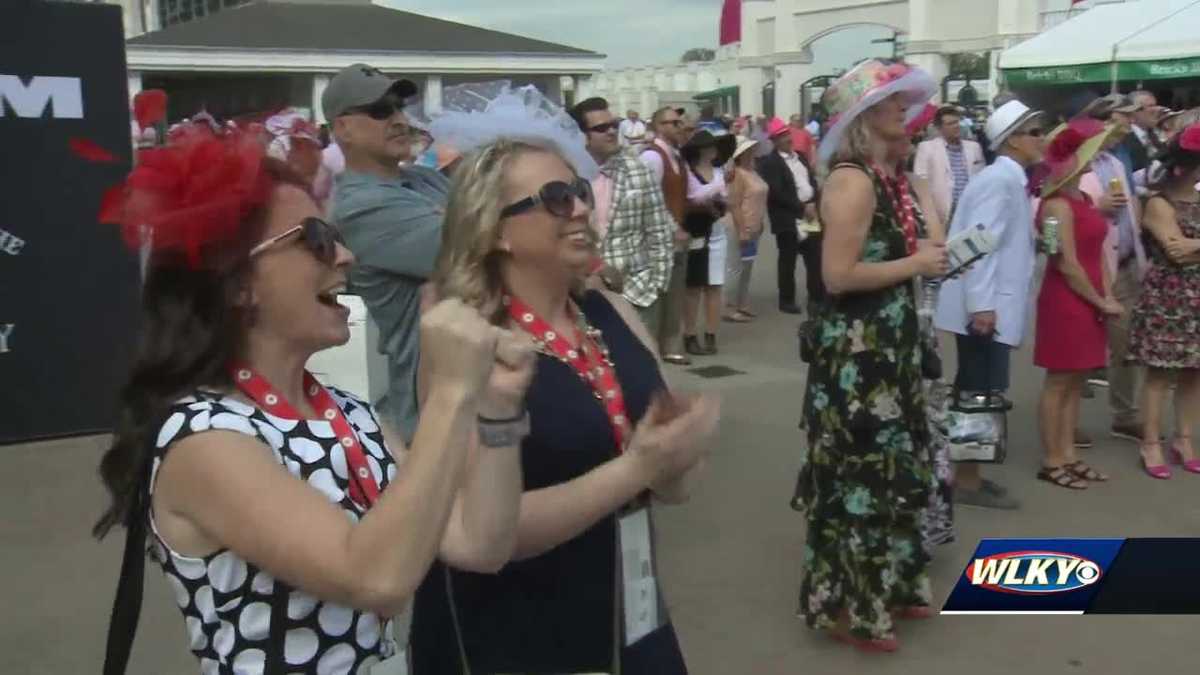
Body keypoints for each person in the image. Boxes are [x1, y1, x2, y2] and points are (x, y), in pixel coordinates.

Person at [93, 129, 532, 672]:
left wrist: (497, 411)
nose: (346, 255)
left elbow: (480, 544)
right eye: (317, 239)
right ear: (240, 286)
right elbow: (376, 579)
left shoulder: (346, 412)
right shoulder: (203, 438)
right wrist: (449, 392)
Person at [410, 137, 719, 674]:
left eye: (578, 190)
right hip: (514, 628)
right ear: (496, 229)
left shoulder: (610, 310)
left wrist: (675, 459)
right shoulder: (466, 342)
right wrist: (639, 468)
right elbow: (482, 533)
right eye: (555, 197)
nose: (580, 207)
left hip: (629, 600)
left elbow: (669, 482)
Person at [796, 59, 946, 652]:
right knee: (860, 481)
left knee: (894, 474)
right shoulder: (852, 179)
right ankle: (850, 606)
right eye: (892, 105)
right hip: (858, 361)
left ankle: (894, 585)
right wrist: (914, 264)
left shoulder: (891, 178)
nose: (906, 114)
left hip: (891, 349)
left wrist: (922, 194)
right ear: (863, 118)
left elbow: (931, 240)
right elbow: (837, 275)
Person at [324, 63, 450, 445]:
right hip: (435, 409)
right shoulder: (358, 207)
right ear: (343, 128)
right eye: (380, 111)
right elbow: (482, 247)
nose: (398, 119)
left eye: (399, 108)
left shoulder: (426, 179)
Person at [934, 99, 1047, 509]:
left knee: (978, 387)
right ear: (1012, 140)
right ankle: (966, 480)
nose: (1043, 139)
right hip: (985, 307)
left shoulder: (1007, 179)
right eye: (1035, 132)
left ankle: (967, 473)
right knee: (979, 390)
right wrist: (982, 305)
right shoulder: (1000, 181)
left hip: (990, 303)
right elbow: (977, 246)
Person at [1033, 118, 1122, 490]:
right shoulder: (1055, 205)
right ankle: (1052, 459)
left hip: (1090, 297)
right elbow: (1065, 264)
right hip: (1067, 300)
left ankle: (1068, 453)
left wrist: (1109, 293)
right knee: (1059, 380)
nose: (1094, 159)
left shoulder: (1082, 199)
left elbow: (1095, 248)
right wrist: (1100, 299)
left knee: (1076, 379)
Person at [1126, 124, 1200, 478]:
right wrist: (1190, 248)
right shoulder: (1158, 200)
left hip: (1196, 297)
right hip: (1168, 296)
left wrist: (1194, 246)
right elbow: (1175, 251)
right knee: (1159, 374)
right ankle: (1151, 442)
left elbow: (1188, 249)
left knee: (1193, 374)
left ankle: (1184, 439)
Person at [571, 97, 675, 336]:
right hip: (582, 293)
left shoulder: (637, 171)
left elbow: (658, 231)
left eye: (614, 125)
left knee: (640, 369)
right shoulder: (569, 176)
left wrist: (657, 285)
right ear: (581, 135)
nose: (611, 131)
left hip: (636, 293)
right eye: (601, 128)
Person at [1078, 96, 1150, 442]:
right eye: (1121, 118)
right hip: (1088, 268)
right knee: (1079, 347)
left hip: (1122, 265)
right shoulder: (1073, 163)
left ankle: (1124, 414)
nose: (1126, 125)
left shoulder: (1116, 160)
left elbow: (1132, 207)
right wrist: (1096, 205)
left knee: (1125, 344)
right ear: (1099, 123)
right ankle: (1068, 420)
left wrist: (1139, 255)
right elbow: (1049, 214)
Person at [640, 105, 694, 365]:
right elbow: (650, 200)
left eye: (679, 122)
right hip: (660, 235)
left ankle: (670, 344)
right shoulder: (653, 157)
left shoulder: (676, 155)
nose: (678, 126)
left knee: (674, 292)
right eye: (672, 123)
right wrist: (674, 227)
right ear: (658, 126)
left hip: (676, 234)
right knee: (656, 294)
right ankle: (651, 345)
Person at [680, 129, 736, 355]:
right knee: (693, 287)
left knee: (715, 285)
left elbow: (725, 199)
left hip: (717, 231)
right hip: (696, 231)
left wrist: (723, 195)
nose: (713, 150)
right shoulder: (689, 172)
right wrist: (719, 187)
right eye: (710, 147)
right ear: (700, 150)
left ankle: (711, 333)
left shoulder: (718, 170)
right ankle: (689, 334)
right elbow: (694, 197)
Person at [757, 117, 819, 315]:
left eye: (787, 135)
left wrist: (815, 200)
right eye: (782, 137)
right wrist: (802, 208)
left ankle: (817, 297)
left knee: (814, 256)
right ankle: (786, 299)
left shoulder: (800, 157)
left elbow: (811, 181)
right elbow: (776, 193)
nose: (787, 139)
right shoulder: (770, 163)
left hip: (810, 214)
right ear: (774, 141)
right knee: (788, 260)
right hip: (788, 217)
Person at [913, 105, 986, 228]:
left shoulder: (974, 147)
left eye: (957, 122)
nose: (956, 126)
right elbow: (920, 183)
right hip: (944, 212)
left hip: (972, 210)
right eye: (951, 123)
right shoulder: (926, 148)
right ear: (939, 128)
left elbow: (983, 179)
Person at [725, 137, 769, 321]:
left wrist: (760, 223)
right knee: (735, 268)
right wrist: (742, 229)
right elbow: (734, 204)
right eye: (748, 150)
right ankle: (729, 308)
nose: (752, 152)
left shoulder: (753, 172)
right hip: (739, 225)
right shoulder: (737, 174)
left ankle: (742, 303)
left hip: (754, 225)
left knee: (747, 267)